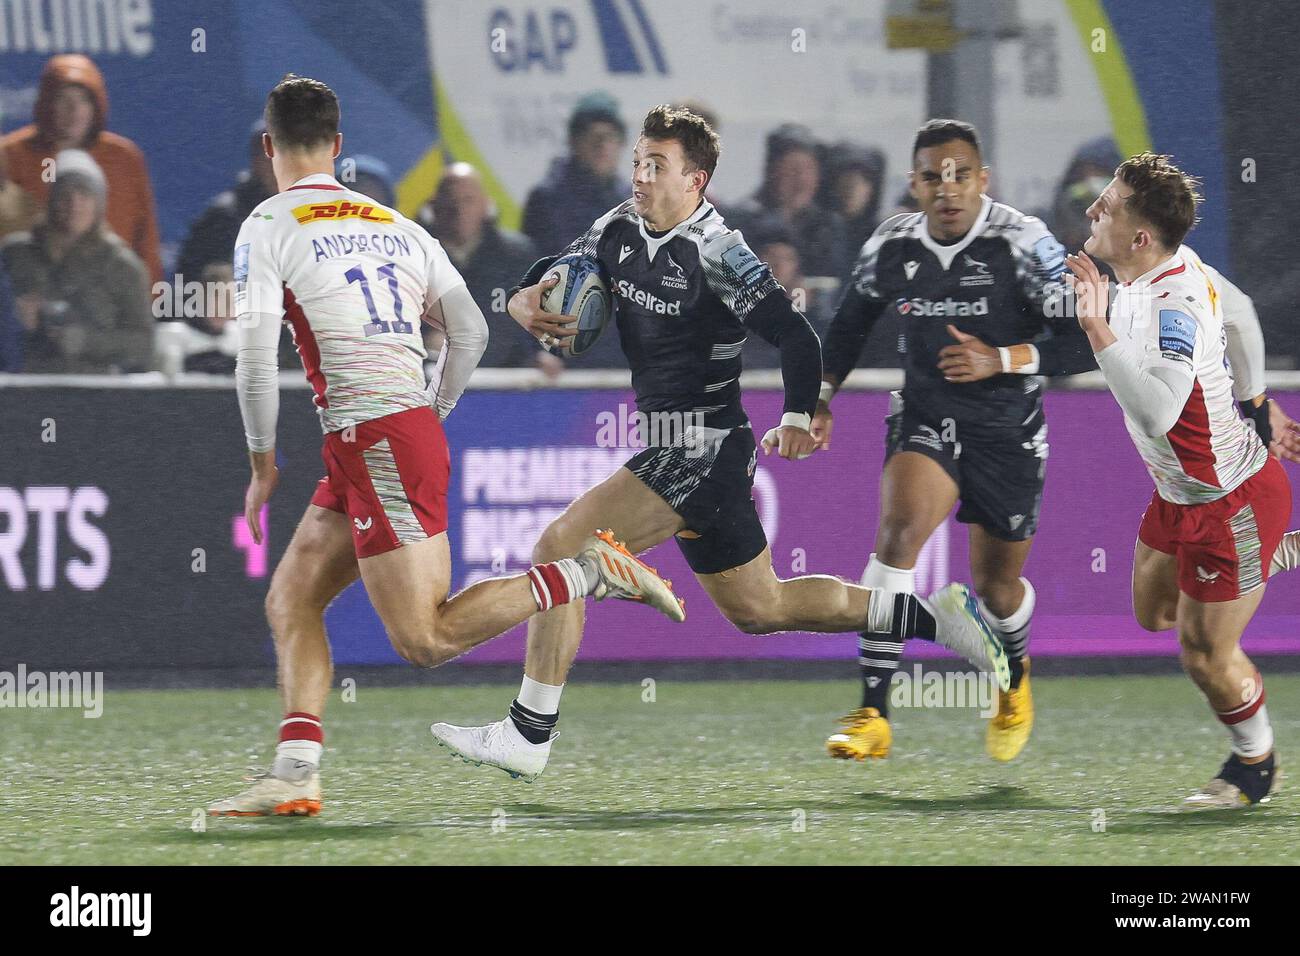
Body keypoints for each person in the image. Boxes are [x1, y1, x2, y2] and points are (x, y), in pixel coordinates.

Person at [428, 105, 1007, 782]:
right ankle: (932, 616)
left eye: (657, 165)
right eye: (639, 160)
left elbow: (796, 337)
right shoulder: (618, 225)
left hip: (701, 448)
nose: (640, 175)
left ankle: (529, 734)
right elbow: (553, 268)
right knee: (762, 609)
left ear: (695, 181)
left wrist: (798, 413)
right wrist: (521, 299)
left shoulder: (717, 251)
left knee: (560, 547)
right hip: (683, 452)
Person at [208, 76, 683, 818]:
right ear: (337, 147)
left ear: (269, 147)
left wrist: (263, 463)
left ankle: (585, 572)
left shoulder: (269, 223)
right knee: (292, 597)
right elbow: (473, 333)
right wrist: (434, 410)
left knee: (423, 639)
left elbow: (252, 360)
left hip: (374, 438)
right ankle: (296, 769)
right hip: (382, 436)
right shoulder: (396, 225)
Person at [814, 119, 1098, 765]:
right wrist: (821, 397)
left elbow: (1083, 342)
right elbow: (849, 324)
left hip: (1008, 428)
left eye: (959, 175)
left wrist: (1001, 358)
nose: (946, 189)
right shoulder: (891, 243)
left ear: (982, 181)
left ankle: (1015, 679)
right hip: (927, 415)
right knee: (897, 538)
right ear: (913, 184)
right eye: (931, 177)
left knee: (997, 588)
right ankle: (873, 713)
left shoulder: (1024, 243)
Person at [1066, 153, 1300, 807]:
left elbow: (1158, 410)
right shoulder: (1169, 269)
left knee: (1204, 655)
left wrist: (1094, 323)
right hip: (1180, 498)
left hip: (1232, 505)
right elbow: (1245, 312)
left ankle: (1255, 767)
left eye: (1106, 205)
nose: (1092, 210)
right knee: (1153, 613)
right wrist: (1256, 405)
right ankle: (1279, 553)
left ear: (1139, 236)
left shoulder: (1175, 303)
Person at [1, 54, 162, 283]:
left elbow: (145, 241)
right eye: (63, 99)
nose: (74, 110)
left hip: (111, 299)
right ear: (47, 103)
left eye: (84, 100)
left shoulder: (124, 158)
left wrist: (149, 303)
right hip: (32, 295)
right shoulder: (11, 155)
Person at [0, 150, 152, 374]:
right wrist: (12, 320)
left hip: (95, 394)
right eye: (65, 194)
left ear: (99, 204)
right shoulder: (15, 254)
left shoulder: (122, 265)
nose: (74, 204)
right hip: (24, 386)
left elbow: (143, 345)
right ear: (51, 200)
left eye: (84, 195)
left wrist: (85, 341)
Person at [422, 162, 540, 368]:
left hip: (502, 386)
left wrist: (537, 357)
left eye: (469, 200)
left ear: (486, 206)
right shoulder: (412, 256)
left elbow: (534, 323)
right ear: (434, 207)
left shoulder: (518, 257)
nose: (459, 210)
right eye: (451, 201)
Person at [728, 124, 848, 279]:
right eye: (793, 169)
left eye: (809, 169)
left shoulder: (827, 227)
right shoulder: (741, 221)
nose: (802, 179)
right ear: (771, 170)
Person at [522, 93, 627, 256]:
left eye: (610, 136)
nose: (602, 146)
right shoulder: (547, 200)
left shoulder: (629, 199)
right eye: (593, 137)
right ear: (574, 143)